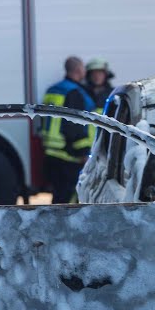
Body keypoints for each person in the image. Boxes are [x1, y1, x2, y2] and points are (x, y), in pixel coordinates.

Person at [39, 56, 97, 204]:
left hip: (51, 152)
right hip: (68, 155)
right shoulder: (74, 92)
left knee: (58, 197)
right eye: (83, 68)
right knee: (69, 200)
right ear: (78, 70)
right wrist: (82, 152)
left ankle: (54, 219)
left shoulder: (53, 90)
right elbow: (74, 126)